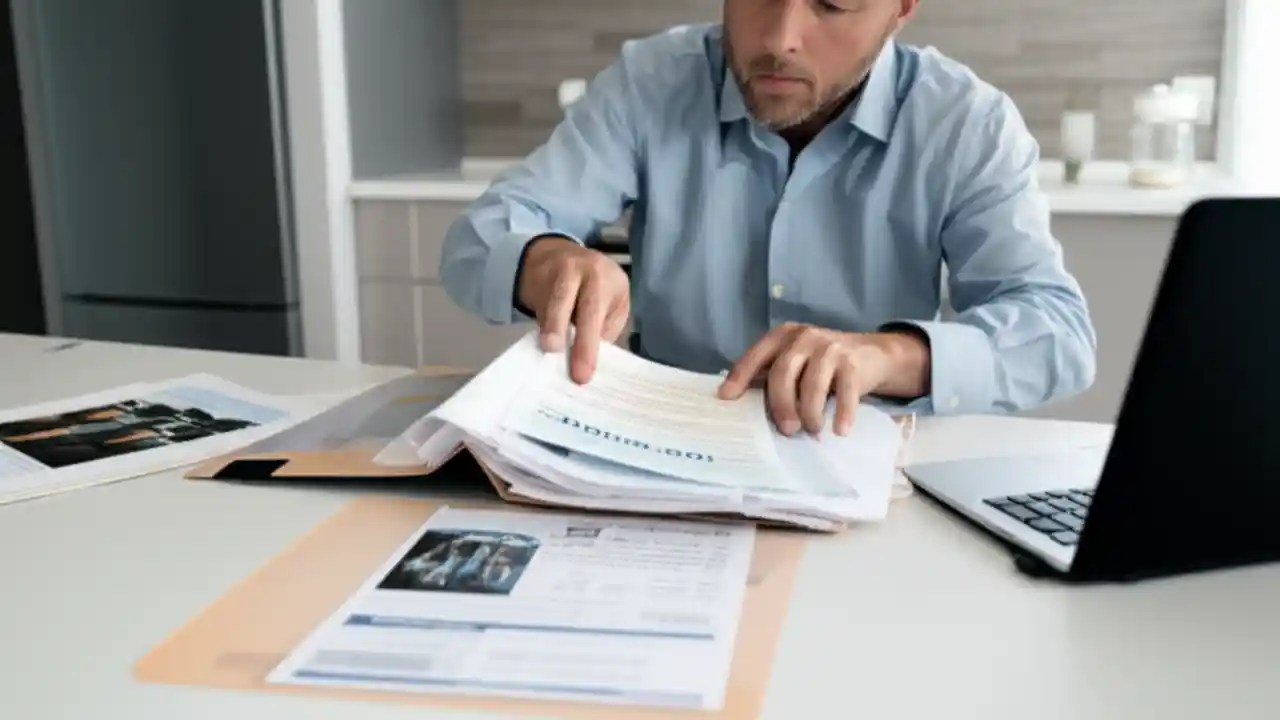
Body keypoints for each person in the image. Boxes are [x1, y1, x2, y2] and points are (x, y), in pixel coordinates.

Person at [440, 0, 1097, 437]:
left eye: (831, 3)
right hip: (660, 444)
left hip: (864, 456)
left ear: (901, 8)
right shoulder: (652, 81)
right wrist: (548, 260)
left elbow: (1057, 334)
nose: (780, 39)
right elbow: (482, 236)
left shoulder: (966, 122)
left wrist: (886, 355)